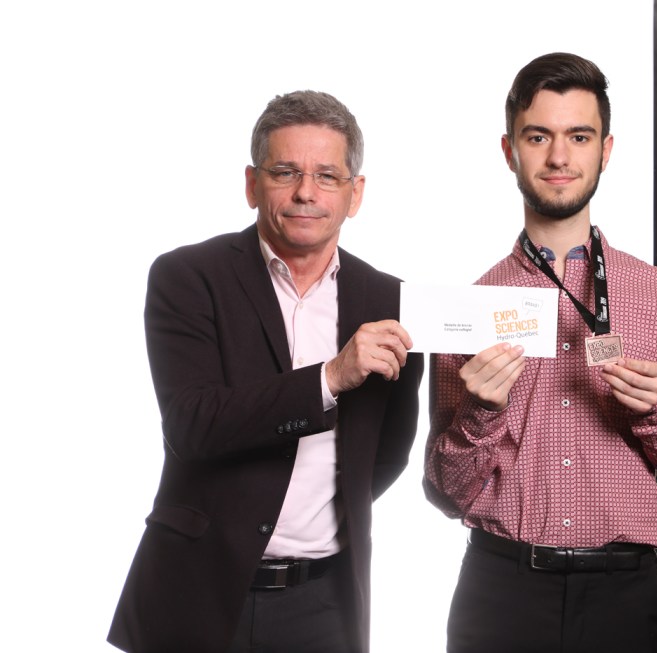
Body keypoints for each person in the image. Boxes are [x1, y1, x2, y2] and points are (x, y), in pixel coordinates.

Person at [423, 53, 657, 653]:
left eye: (578, 136)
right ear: (510, 151)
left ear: (605, 150)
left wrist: (654, 410)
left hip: (624, 598)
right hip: (501, 593)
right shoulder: (471, 307)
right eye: (539, 137)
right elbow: (444, 490)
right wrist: (482, 411)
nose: (559, 157)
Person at [108, 90, 423, 653]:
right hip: (197, 590)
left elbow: (386, 453)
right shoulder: (188, 276)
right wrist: (329, 377)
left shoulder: (392, 299)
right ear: (252, 184)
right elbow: (192, 423)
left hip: (325, 601)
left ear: (356, 194)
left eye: (328, 176)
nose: (306, 192)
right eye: (285, 172)